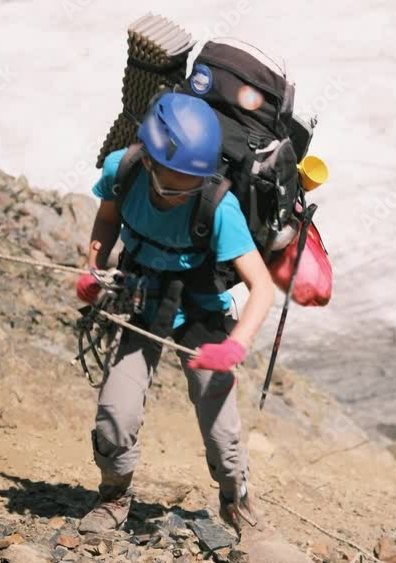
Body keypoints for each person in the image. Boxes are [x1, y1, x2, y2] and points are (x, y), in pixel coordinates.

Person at [74, 92, 274, 535]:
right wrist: (95, 268)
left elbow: (262, 287)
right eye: (172, 184)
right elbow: (107, 220)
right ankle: (114, 496)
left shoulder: (219, 206)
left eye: (192, 184)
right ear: (148, 159)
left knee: (222, 436)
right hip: (139, 299)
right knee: (115, 414)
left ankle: (235, 498)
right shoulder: (122, 171)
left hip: (200, 312)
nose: (182, 194)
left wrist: (234, 346)